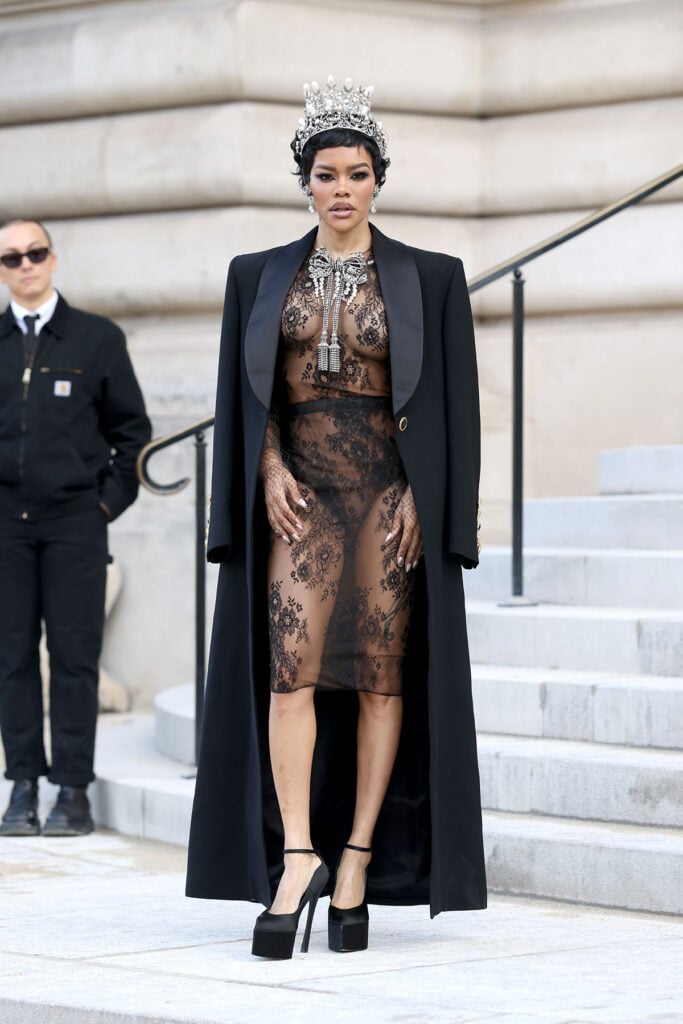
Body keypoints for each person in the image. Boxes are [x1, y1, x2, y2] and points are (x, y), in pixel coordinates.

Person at [186, 76, 486, 957]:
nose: (342, 188)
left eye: (357, 173)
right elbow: (244, 397)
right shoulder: (254, 275)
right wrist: (265, 467)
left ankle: (355, 859)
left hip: (388, 498)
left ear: (377, 179)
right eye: (326, 174)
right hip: (300, 498)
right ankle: (297, 858)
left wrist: (435, 503)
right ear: (305, 181)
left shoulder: (433, 277)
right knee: (290, 675)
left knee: (380, 681)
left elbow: (458, 410)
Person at [0, 217, 151, 837]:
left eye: (35, 253)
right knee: (11, 659)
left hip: (75, 527)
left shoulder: (96, 339)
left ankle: (72, 790)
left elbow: (132, 436)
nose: (25, 265)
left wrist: (102, 508)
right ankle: (22, 786)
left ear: (53, 259)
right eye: (12, 258)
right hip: (6, 530)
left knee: (73, 659)